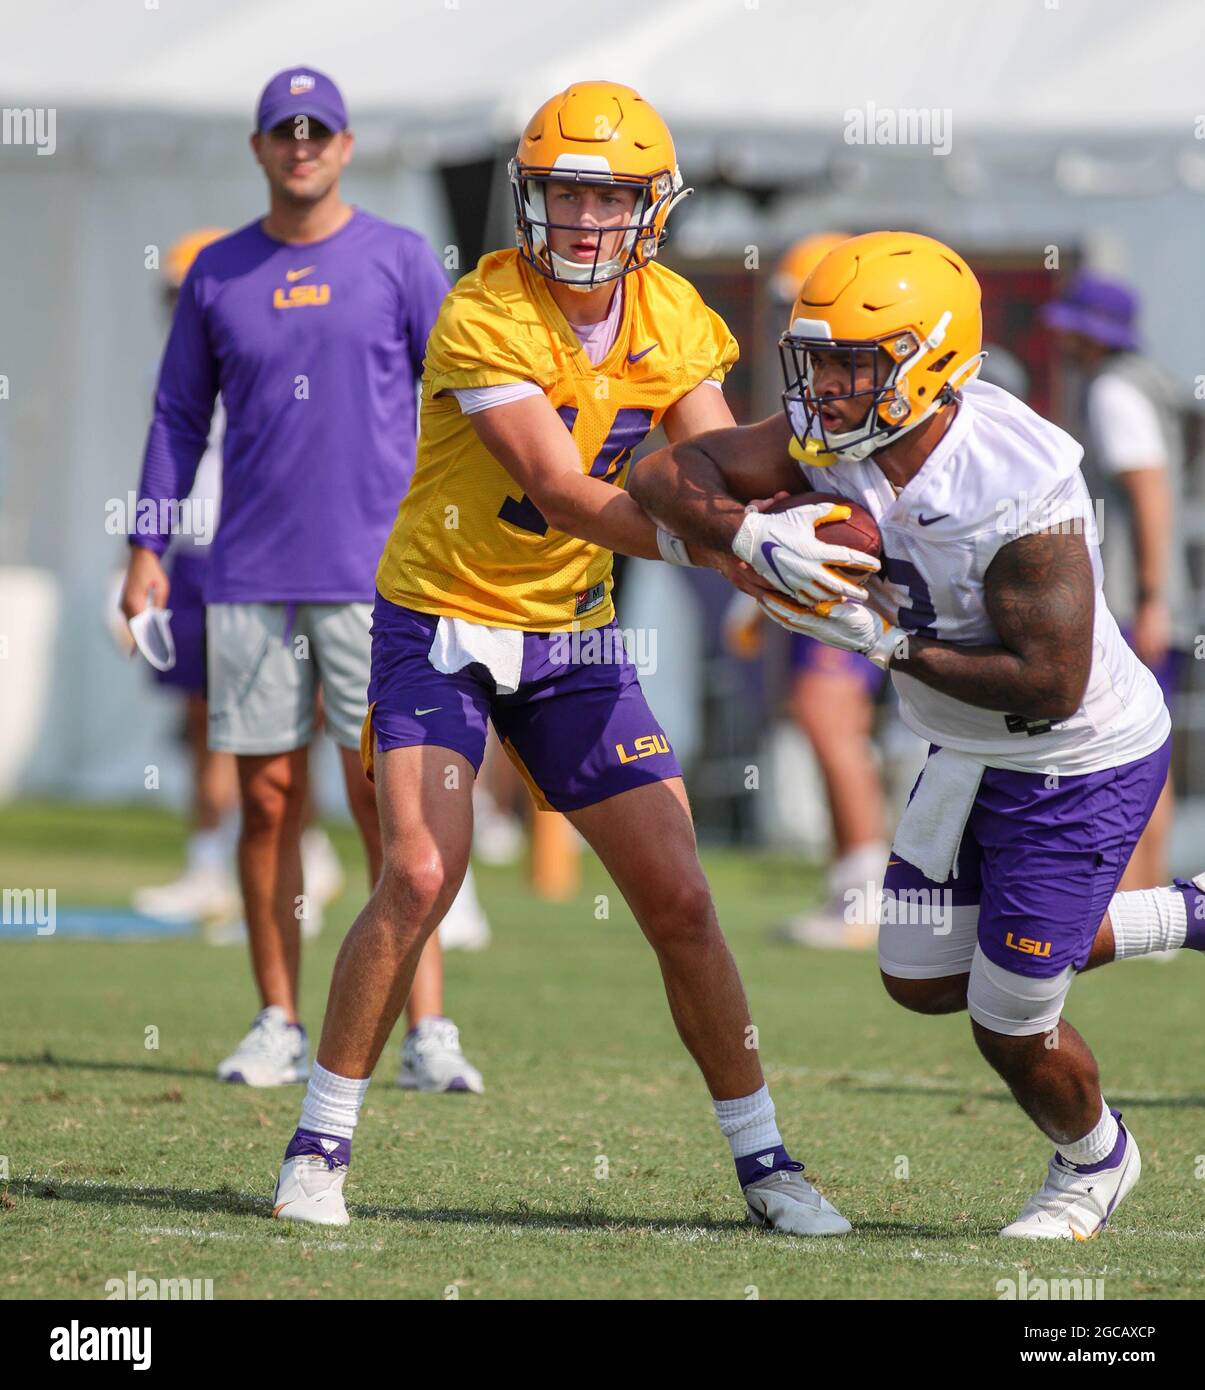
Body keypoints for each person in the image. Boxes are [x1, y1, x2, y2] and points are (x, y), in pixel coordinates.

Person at [271, 81, 852, 1236]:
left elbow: (716, 461)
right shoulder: (485, 310)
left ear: (652, 205)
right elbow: (560, 489)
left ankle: (766, 1161)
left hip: (569, 634)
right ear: (531, 199)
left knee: (683, 898)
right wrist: (730, 547)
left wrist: (808, 502)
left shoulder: (675, 313)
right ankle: (318, 1141)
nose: (587, 218)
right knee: (422, 875)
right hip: (438, 619)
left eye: (611, 194)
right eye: (566, 191)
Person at [629, 230, 1205, 1239]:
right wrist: (748, 534)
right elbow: (662, 475)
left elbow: (1049, 684)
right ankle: (1187, 912)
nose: (825, 387)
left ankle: (1092, 1161)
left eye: (852, 362)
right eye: (815, 360)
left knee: (1007, 1020)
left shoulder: (1012, 483)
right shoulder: (833, 438)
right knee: (921, 978)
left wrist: (876, 639)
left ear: (928, 361)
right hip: (965, 743)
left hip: (1073, 758)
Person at [122, 67, 485, 1092]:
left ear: (344, 142)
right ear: (258, 149)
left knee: (392, 807)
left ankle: (427, 1029)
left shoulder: (401, 260)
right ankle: (278, 1017)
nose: (299, 144)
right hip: (248, 576)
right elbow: (176, 419)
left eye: (316, 129)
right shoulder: (217, 273)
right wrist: (146, 546)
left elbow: (463, 403)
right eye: (282, 131)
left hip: (384, 580)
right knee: (268, 802)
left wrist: (463, 539)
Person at [130, 229, 346, 944]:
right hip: (193, 553)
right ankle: (207, 862)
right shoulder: (177, 368)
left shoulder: (276, 354)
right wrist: (136, 559)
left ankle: (306, 860)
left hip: (258, 552)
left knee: (282, 721)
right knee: (204, 720)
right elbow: (165, 457)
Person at [1042, 271, 1192, 890]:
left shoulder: (1112, 392)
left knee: (1122, 757)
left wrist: (1152, 600)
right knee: (1150, 757)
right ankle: (1147, 901)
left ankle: (1130, 905)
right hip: (1153, 598)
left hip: (1133, 602)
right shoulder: (1146, 385)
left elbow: (1149, 492)